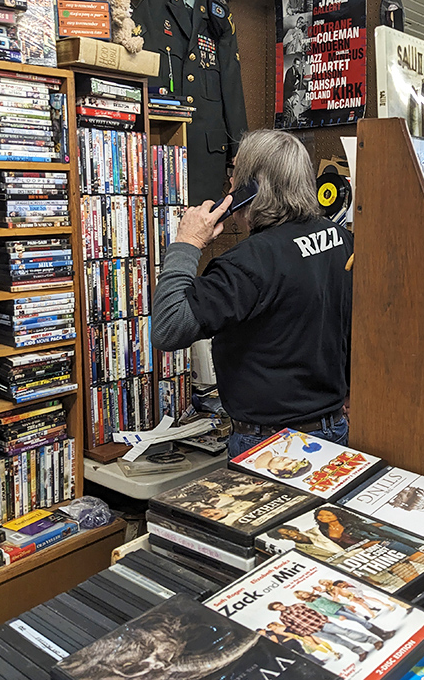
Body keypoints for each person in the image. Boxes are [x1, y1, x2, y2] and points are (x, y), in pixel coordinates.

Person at [151, 129, 353, 458]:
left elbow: (168, 327)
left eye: (234, 176)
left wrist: (187, 243)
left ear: (250, 188)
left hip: (270, 445)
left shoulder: (247, 263)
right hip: (332, 429)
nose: (229, 186)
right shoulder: (340, 239)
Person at [267, 600, 377, 662]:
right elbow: (293, 627)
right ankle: (360, 651)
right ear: (275, 610)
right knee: (338, 641)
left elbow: (315, 611)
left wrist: (324, 619)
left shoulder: (297, 605)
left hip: (322, 624)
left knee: (345, 632)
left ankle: (373, 641)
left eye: (279, 605)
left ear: (282, 604)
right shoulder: (283, 618)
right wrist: (306, 633)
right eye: (277, 608)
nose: (280, 607)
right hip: (313, 631)